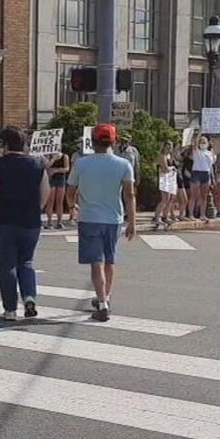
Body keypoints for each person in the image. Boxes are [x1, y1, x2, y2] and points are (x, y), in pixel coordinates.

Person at [0, 127, 50, 322]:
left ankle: (10, 310)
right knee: (26, 262)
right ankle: (30, 298)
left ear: (4, 145)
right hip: (30, 221)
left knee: (7, 265)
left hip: (4, 220)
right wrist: (36, 208)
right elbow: (45, 192)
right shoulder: (38, 164)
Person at [67, 124, 137, 323]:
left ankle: (102, 303)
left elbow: (70, 192)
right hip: (113, 218)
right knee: (109, 260)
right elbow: (130, 194)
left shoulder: (81, 164)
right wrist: (132, 222)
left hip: (89, 217)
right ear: (113, 142)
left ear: (93, 141)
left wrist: (74, 206)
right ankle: (105, 298)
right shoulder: (124, 164)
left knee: (95, 263)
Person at [189, 134, 214, 221]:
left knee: (204, 196)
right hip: (196, 173)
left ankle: (202, 214)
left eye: (204, 142)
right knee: (194, 195)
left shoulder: (210, 153)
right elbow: (194, 144)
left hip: (206, 174)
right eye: (201, 142)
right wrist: (199, 133)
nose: (203, 143)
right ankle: (191, 214)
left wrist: (211, 178)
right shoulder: (196, 151)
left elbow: (210, 166)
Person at [153, 142, 178, 227]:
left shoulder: (170, 156)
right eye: (167, 147)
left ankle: (165, 216)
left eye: (170, 147)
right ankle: (157, 217)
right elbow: (165, 168)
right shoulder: (162, 156)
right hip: (164, 178)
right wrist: (173, 168)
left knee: (169, 199)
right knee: (164, 199)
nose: (168, 149)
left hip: (170, 178)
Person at [46, 148, 70, 230]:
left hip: (60, 178)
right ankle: (49, 221)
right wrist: (53, 159)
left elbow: (67, 168)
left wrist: (56, 170)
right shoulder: (48, 155)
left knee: (59, 201)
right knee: (50, 201)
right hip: (51, 179)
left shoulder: (64, 156)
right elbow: (47, 166)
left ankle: (59, 222)